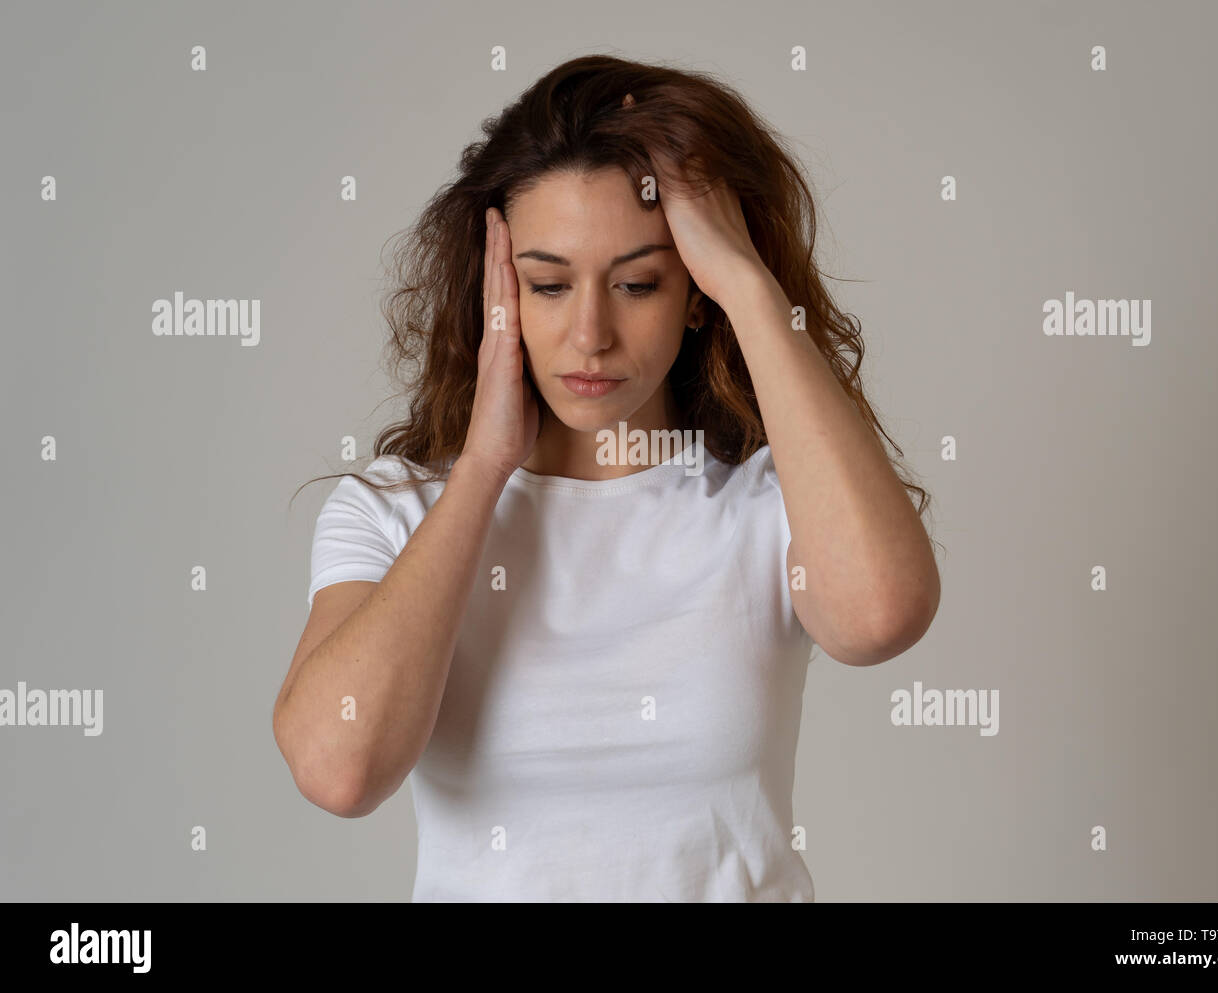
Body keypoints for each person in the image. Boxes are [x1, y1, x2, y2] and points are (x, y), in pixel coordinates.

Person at [273, 54, 941, 902]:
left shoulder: (766, 502)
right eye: (548, 284)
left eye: (638, 282)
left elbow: (883, 615)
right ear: (495, 289)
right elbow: (339, 769)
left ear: (693, 293)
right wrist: (482, 467)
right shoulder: (392, 511)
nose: (590, 333)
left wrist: (748, 283)